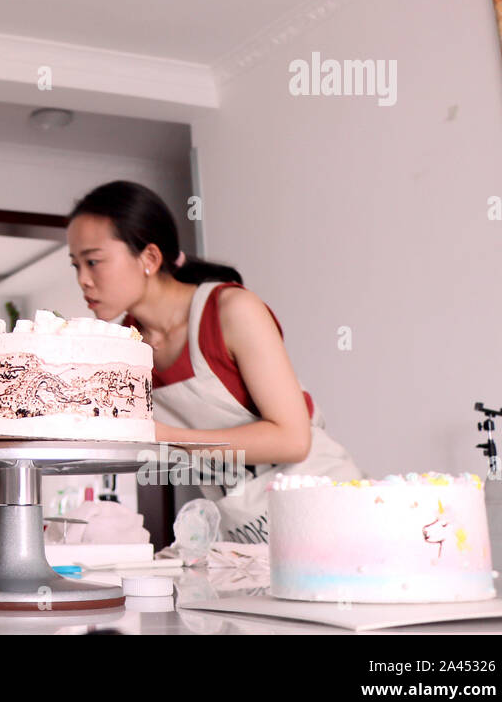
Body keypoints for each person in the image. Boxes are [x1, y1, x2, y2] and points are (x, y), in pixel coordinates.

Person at [67, 181, 362, 543]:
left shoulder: (232, 311)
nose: (83, 280)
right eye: (76, 264)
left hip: (326, 512)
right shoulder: (125, 347)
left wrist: (169, 439)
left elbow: (292, 439)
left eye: (94, 261)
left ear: (150, 258)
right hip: (243, 532)